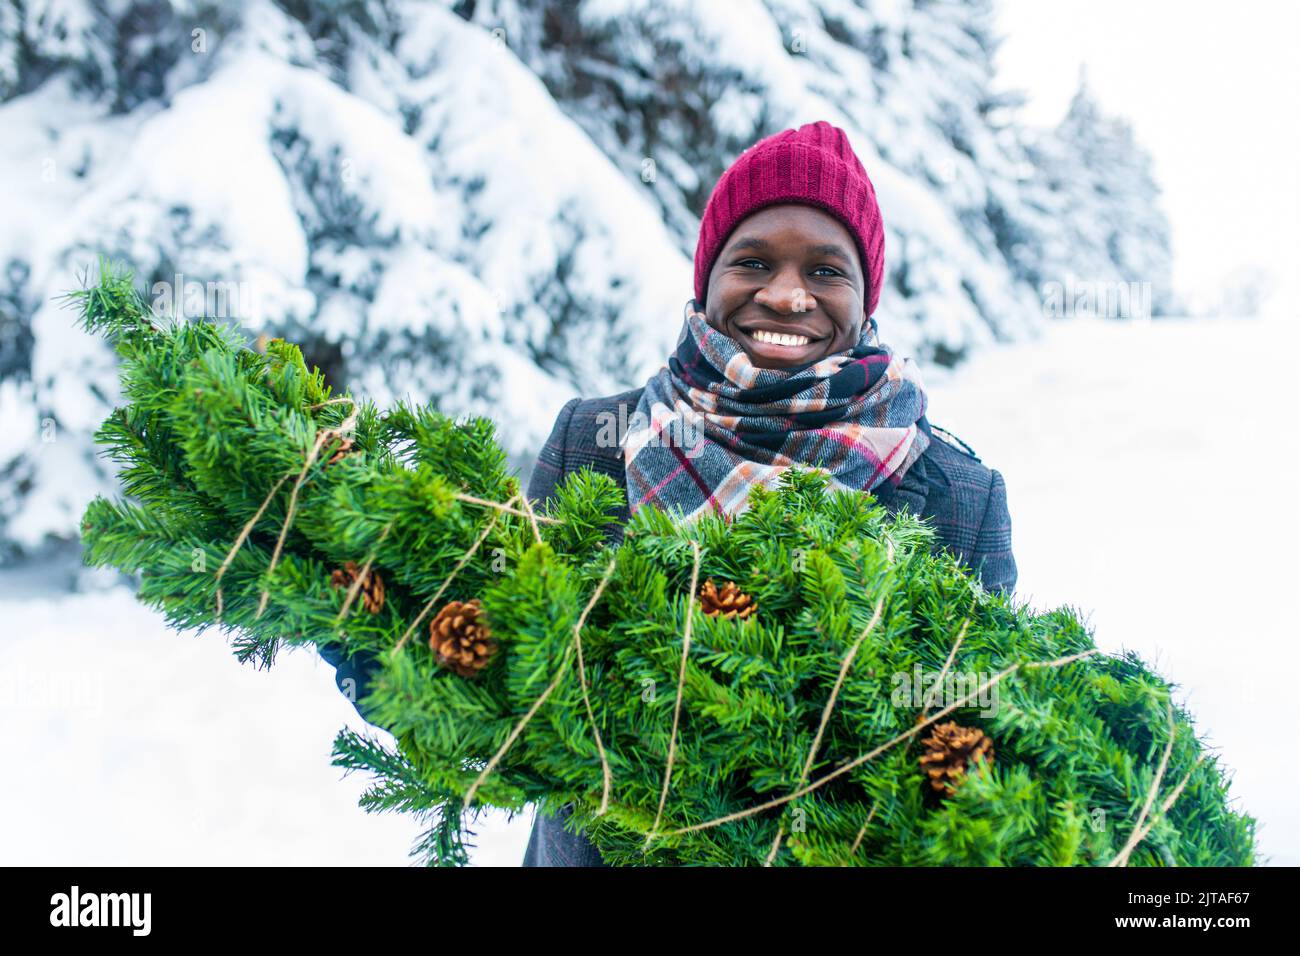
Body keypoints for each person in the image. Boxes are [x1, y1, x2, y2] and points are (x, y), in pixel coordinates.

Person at [323, 119, 1017, 867]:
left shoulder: (954, 498)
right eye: (753, 261)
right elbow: (505, 674)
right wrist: (363, 606)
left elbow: (960, 752)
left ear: (865, 295)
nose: (786, 296)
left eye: (825, 271)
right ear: (709, 281)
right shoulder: (595, 441)